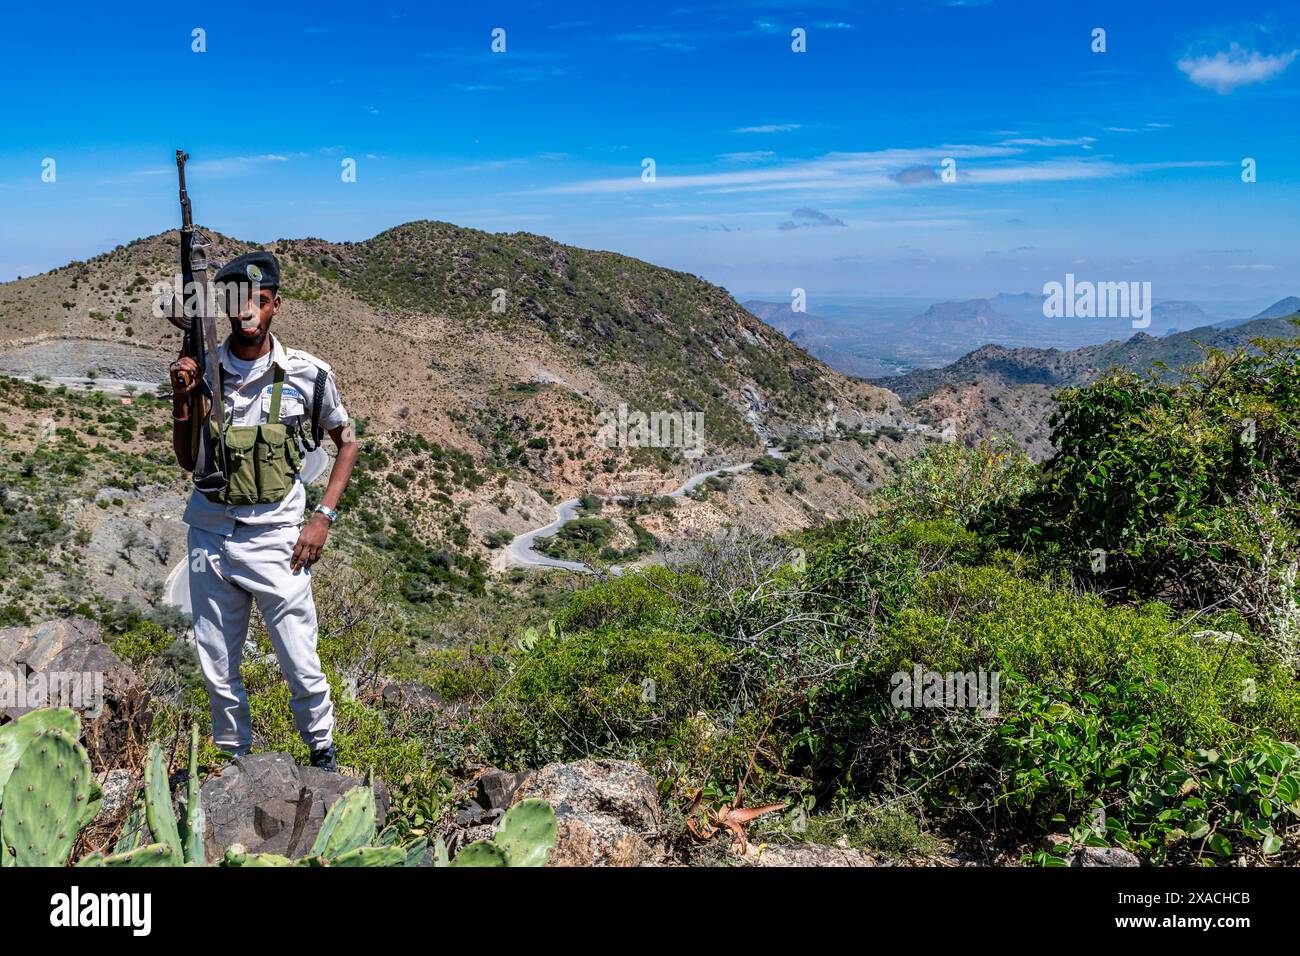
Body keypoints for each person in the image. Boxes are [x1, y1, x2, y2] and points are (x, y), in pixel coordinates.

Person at [168, 251, 360, 771]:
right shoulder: (205, 372)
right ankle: (235, 762)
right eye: (238, 304)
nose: (248, 312)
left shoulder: (308, 375)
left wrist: (322, 517)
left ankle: (322, 752)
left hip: (278, 534)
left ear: (276, 305)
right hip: (210, 532)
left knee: (299, 655)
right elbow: (188, 459)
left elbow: (347, 441)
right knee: (218, 659)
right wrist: (183, 400)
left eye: (261, 302)